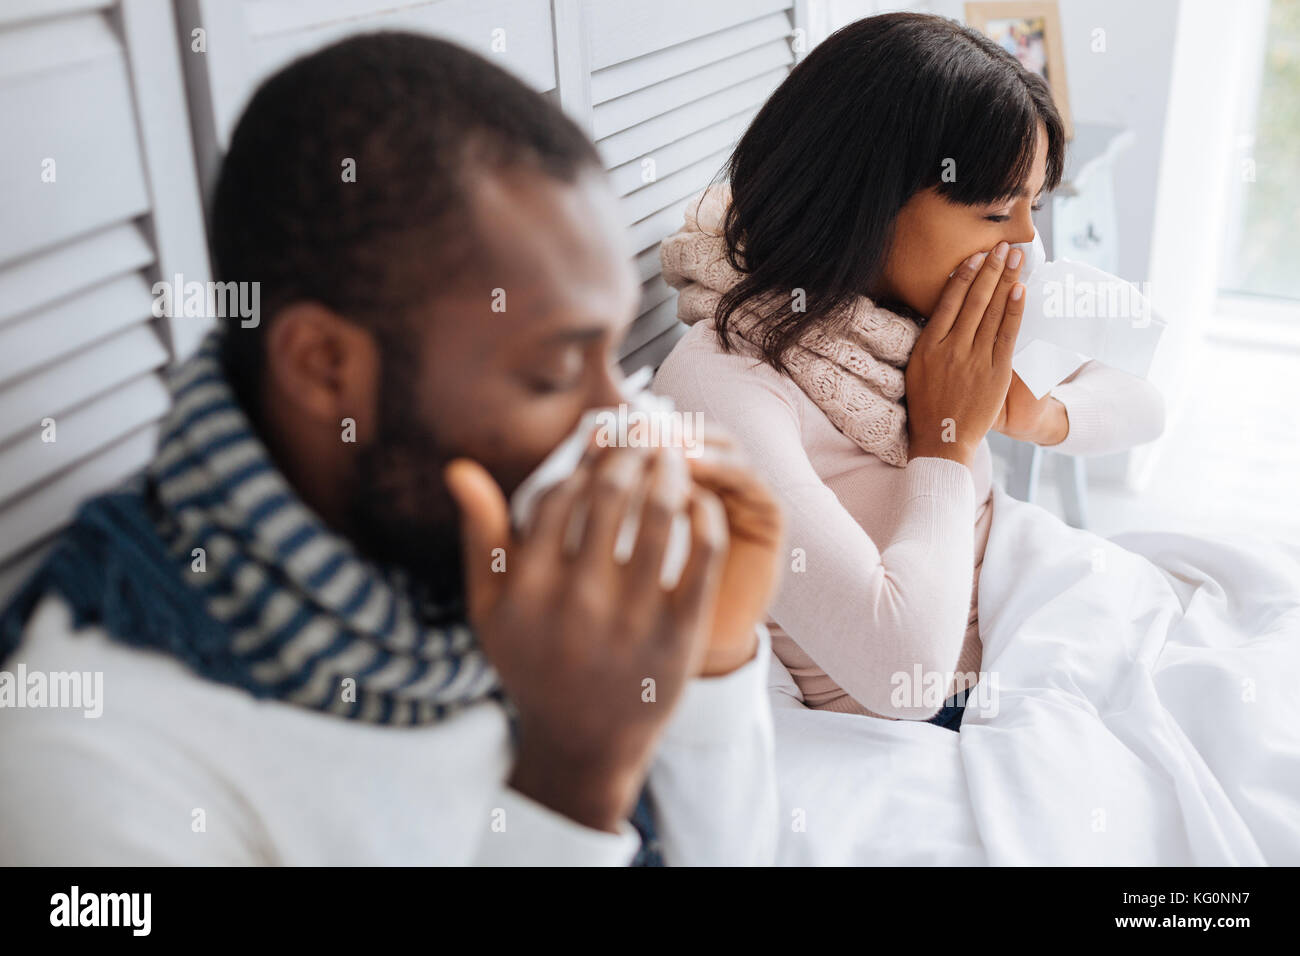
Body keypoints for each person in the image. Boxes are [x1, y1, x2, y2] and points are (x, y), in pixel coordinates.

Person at [0, 32, 784, 865]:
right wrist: (574, 777)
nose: (623, 420)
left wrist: (711, 670)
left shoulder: (480, 566)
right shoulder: (85, 761)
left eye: (612, 351)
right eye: (557, 369)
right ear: (325, 367)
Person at [653, 12, 1165, 728]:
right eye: (996, 211)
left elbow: (1146, 403)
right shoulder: (721, 389)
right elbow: (908, 678)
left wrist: (1030, 414)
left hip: (1034, 626)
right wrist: (946, 445)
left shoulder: (925, 308)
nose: (1026, 238)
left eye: (1034, 206)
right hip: (941, 715)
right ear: (868, 202)